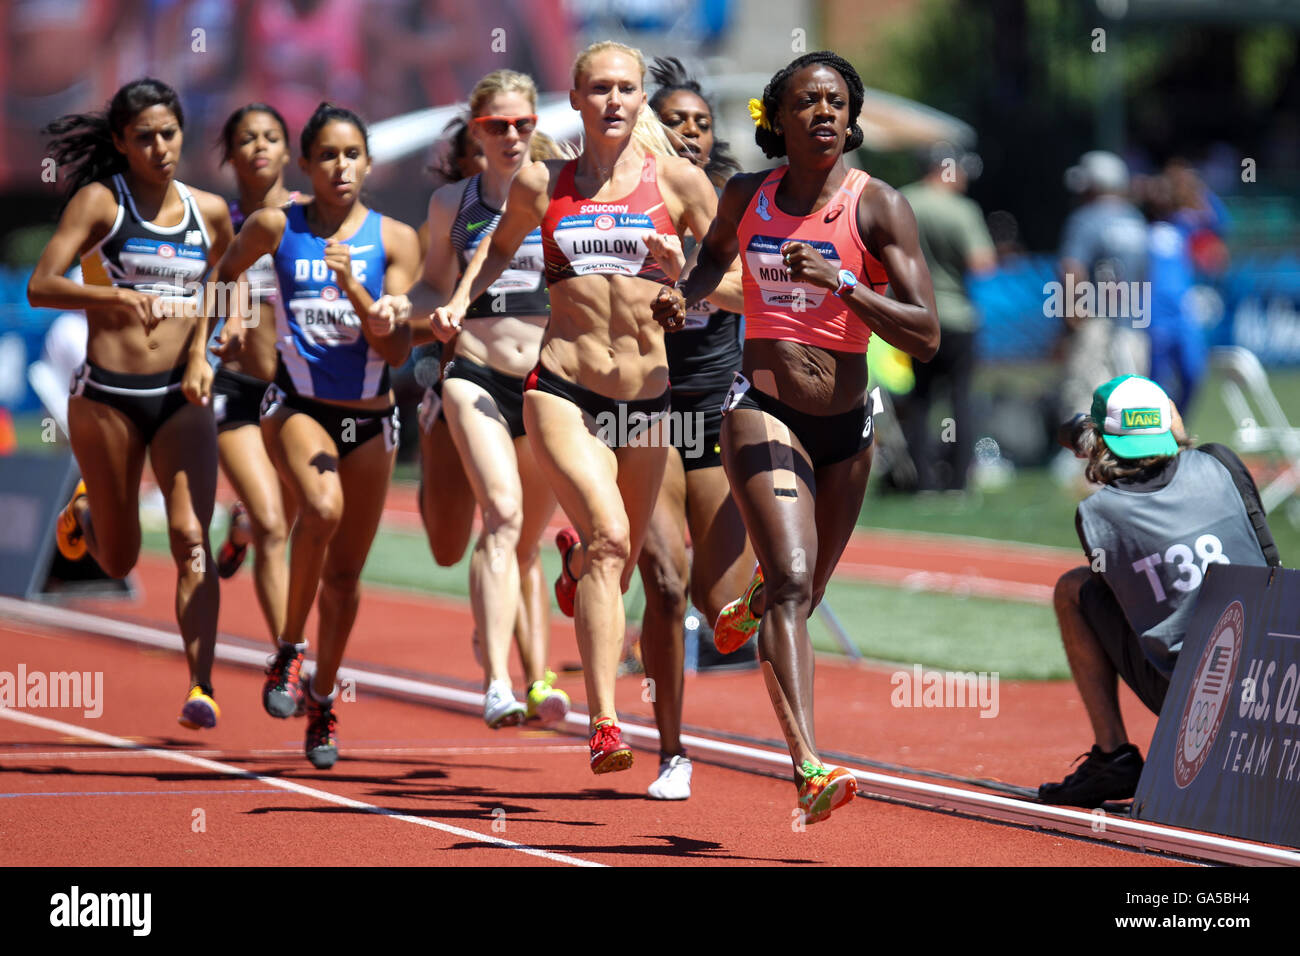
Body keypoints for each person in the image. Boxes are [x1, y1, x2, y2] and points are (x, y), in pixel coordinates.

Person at [409, 40, 735, 775]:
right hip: (561, 387)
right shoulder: (541, 182)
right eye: (601, 89)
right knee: (615, 538)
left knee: (612, 572)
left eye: (627, 88)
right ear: (577, 99)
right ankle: (606, 723)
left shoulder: (679, 184)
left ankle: (575, 568)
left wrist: (687, 284)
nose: (615, 100)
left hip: (647, 398)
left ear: (640, 100)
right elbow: (496, 250)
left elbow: (733, 275)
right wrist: (459, 301)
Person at [657, 51, 940, 825]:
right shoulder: (746, 196)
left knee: (803, 596)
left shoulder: (876, 206)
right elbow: (711, 258)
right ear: (777, 119)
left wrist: (841, 283)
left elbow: (927, 335)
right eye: (809, 101)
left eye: (838, 103)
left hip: (848, 427)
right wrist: (683, 300)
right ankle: (809, 766)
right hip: (761, 408)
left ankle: (759, 602)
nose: (825, 113)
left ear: (851, 121)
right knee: (787, 576)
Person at [212, 102, 421, 768]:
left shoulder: (395, 240)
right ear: (305, 165)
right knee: (321, 508)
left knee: (346, 577)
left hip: (373, 419)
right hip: (297, 406)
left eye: (351, 154)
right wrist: (232, 321)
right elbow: (226, 272)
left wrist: (360, 296)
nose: (340, 167)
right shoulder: (278, 225)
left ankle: (323, 698)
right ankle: (287, 651)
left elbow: (395, 355)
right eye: (326, 155)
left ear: (368, 161)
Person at [28, 78, 233, 729]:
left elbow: (225, 292)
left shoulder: (210, 212)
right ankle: (85, 509)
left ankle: (202, 685)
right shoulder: (101, 203)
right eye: (143, 136)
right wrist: (117, 298)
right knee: (117, 558)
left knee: (191, 537)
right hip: (109, 399)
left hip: (181, 394)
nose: (159, 146)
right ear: (121, 141)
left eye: (168, 133)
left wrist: (204, 354)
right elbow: (41, 286)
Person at [374, 70, 570, 729]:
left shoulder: (563, 195)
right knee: (503, 515)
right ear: (475, 130)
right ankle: (494, 685)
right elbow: (432, 286)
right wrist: (403, 308)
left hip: (547, 381)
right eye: (497, 126)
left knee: (524, 543)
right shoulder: (451, 203)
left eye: (523, 124)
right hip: (475, 371)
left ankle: (540, 679)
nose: (512, 135)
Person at [1040, 375, 1281, 807]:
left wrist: (1090, 438)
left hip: (1192, 701)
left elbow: (1114, 596)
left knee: (1073, 589)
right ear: (1169, 421)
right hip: (1274, 680)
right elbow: (1271, 563)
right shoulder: (1223, 463)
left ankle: (1111, 757)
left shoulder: (1099, 515)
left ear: (1101, 440)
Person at [633, 56, 754, 801]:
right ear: (651, 128)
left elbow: (757, 288)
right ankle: (672, 751)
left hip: (713, 411)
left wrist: (691, 282)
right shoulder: (623, 204)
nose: (689, 132)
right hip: (642, 410)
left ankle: (582, 553)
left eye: (701, 123)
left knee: (726, 614)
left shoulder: (733, 208)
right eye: (674, 120)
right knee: (665, 584)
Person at [210, 104, 300, 668]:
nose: (260, 146)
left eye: (271, 137)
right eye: (247, 138)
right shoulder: (219, 219)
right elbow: (222, 284)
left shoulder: (310, 219)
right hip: (238, 389)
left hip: (299, 395)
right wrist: (231, 315)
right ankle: (289, 657)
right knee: (274, 524)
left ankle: (239, 526)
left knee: (285, 518)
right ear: (230, 153)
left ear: (289, 152)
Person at [897, 144, 996, 492]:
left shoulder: (902, 201)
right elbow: (981, 263)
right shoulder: (961, 210)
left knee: (920, 400)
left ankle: (921, 481)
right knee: (960, 400)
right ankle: (957, 483)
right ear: (946, 170)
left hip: (913, 315)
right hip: (956, 317)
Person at [415, 115, 484, 570]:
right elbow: (415, 317)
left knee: (511, 533)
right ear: (459, 163)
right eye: (480, 147)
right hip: (454, 387)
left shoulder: (544, 215)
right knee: (447, 549)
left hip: (533, 388)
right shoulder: (442, 224)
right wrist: (441, 321)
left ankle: (500, 639)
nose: (500, 152)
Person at [1057, 150, 1150, 423]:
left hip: (1095, 323)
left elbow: (1072, 267)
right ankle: (1130, 455)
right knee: (1130, 398)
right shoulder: (1136, 219)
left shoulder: (1085, 219)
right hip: (1133, 324)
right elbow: (1145, 274)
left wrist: (1072, 313)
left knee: (1087, 392)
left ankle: (1079, 452)